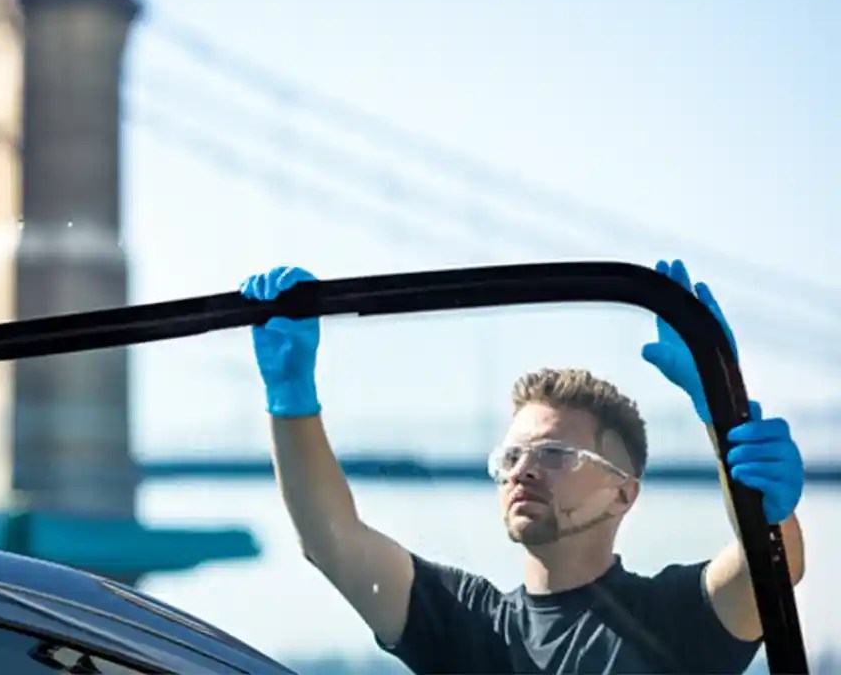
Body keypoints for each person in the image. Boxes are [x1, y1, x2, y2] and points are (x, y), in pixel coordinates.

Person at [238, 259, 806, 674]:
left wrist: (724, 419)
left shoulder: (672, 617)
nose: (523, 471)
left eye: (555, 454)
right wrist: (290, 396)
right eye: (511, 456)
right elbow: (330, 539)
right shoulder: (467, 621)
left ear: (622, 494)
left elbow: (772, 567)